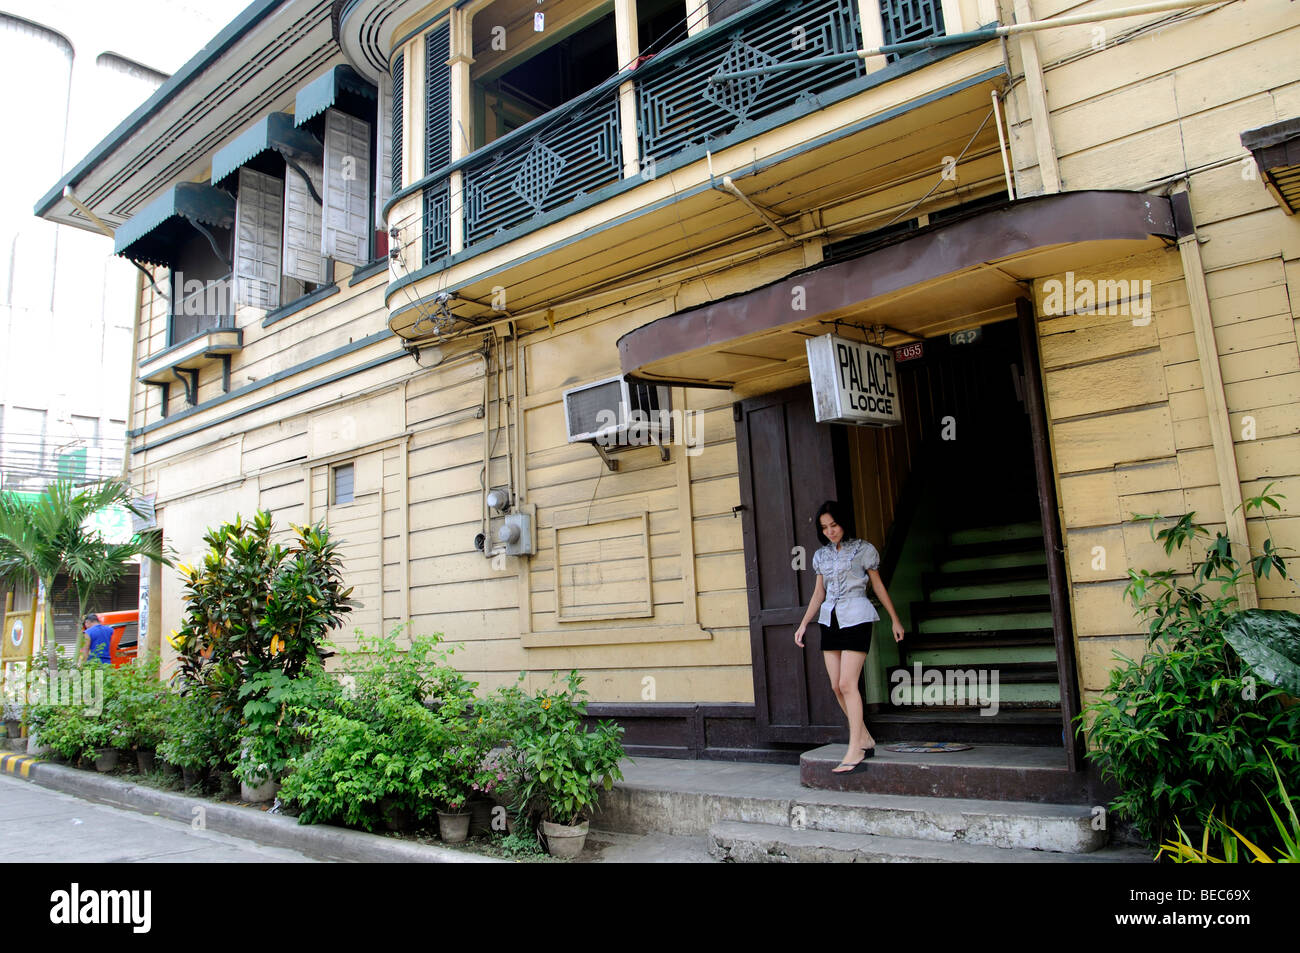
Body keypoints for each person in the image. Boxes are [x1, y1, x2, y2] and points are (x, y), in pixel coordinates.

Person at [794, 501, 905, 774]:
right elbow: (819, 593)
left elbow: (877, 585)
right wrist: (804, 623)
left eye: (834, 525)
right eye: (825, 528)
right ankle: (865, 737)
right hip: (829, 619)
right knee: (835, 686)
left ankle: (855, 747)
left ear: (843, 522)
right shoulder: (820, 556)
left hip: (857, 617)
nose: (830, 531)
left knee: (847, 683)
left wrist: (894, 619)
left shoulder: (864, 550)